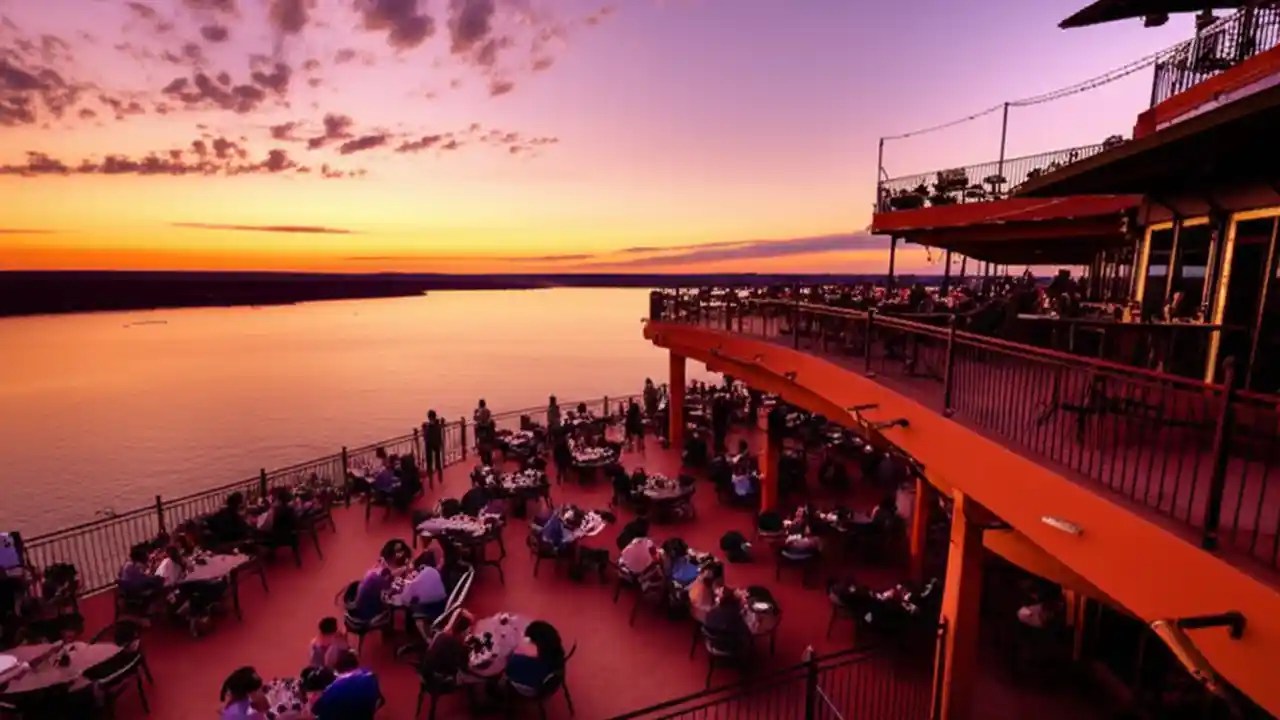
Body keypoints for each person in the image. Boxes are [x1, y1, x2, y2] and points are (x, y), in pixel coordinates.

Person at [311, 650, 381, 720]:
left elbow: (317, 711)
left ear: (336, 670)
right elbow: (379, 701)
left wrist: (314, 701)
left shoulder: (333, 690)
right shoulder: (370, 676)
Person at [507, 620, 565, 692]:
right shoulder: (556, 653)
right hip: (547, 679)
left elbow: (508, 668)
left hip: (531, 689)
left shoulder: (520, 663)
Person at [421, 609, 476, 683]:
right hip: (440, 679)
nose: (470, 629)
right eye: (470, 627)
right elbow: (465, 667)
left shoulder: (440, 634)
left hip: (427, 672)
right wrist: (469, 651)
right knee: (477, 678)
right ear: (464, 628)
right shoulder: (458, 644)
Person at [703, 588, 750, 653]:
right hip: (730, 646)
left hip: (714, 643)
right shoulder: (735, 616)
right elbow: (745, 632)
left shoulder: (712, 611)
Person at [423, 411, 445, 485]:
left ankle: (434, 479)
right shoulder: (437, 425)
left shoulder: (430, 427)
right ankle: (434, 479)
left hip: (432, 444)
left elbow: (426, 436)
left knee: (434, 462)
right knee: (433, 462)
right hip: (433, 445)